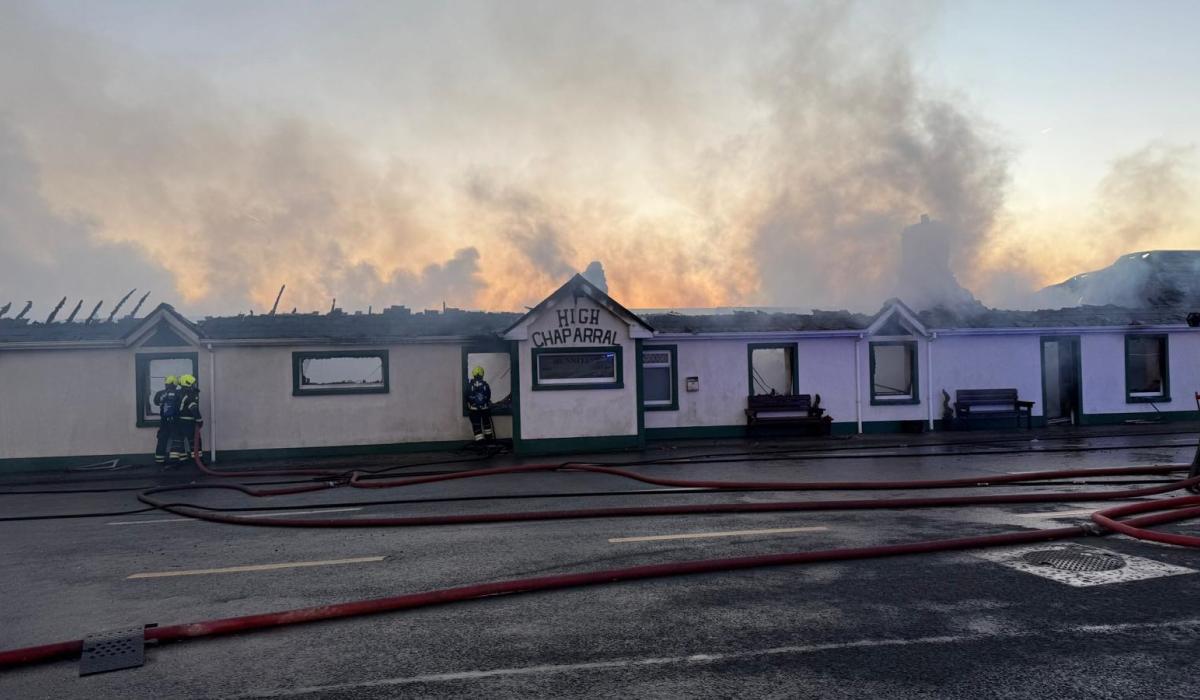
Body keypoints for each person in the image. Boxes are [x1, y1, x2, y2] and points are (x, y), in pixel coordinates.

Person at [173, 373, 203, 465]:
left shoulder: (178, 393)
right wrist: (199, 420)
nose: (194, 385)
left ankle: (179, 460)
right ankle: (197, 461)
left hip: (177, 421)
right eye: (193, 383)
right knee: (194, 440)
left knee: (178, 441)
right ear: (188, 383)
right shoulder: (190, 394)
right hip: (188, 421)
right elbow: (193, 408)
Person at [153, 375, 178, 465]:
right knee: (176, 439)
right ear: (175, 384)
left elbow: (155, 402)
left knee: (162, 439)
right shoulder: (177, 393)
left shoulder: (159, 393)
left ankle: (159, 460)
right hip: (175, 420)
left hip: (163, 420)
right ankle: (174, 460)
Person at [466, 366, 494, 442]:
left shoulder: (469, 385)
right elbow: (488, 396)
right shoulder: (485, 385)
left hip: (474, 410)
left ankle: (480, 443)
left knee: (476, 426)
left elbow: (466, 397)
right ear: (482, 374)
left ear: (473, 374)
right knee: (487, 425)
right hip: (485, 409)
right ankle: (489, 441)